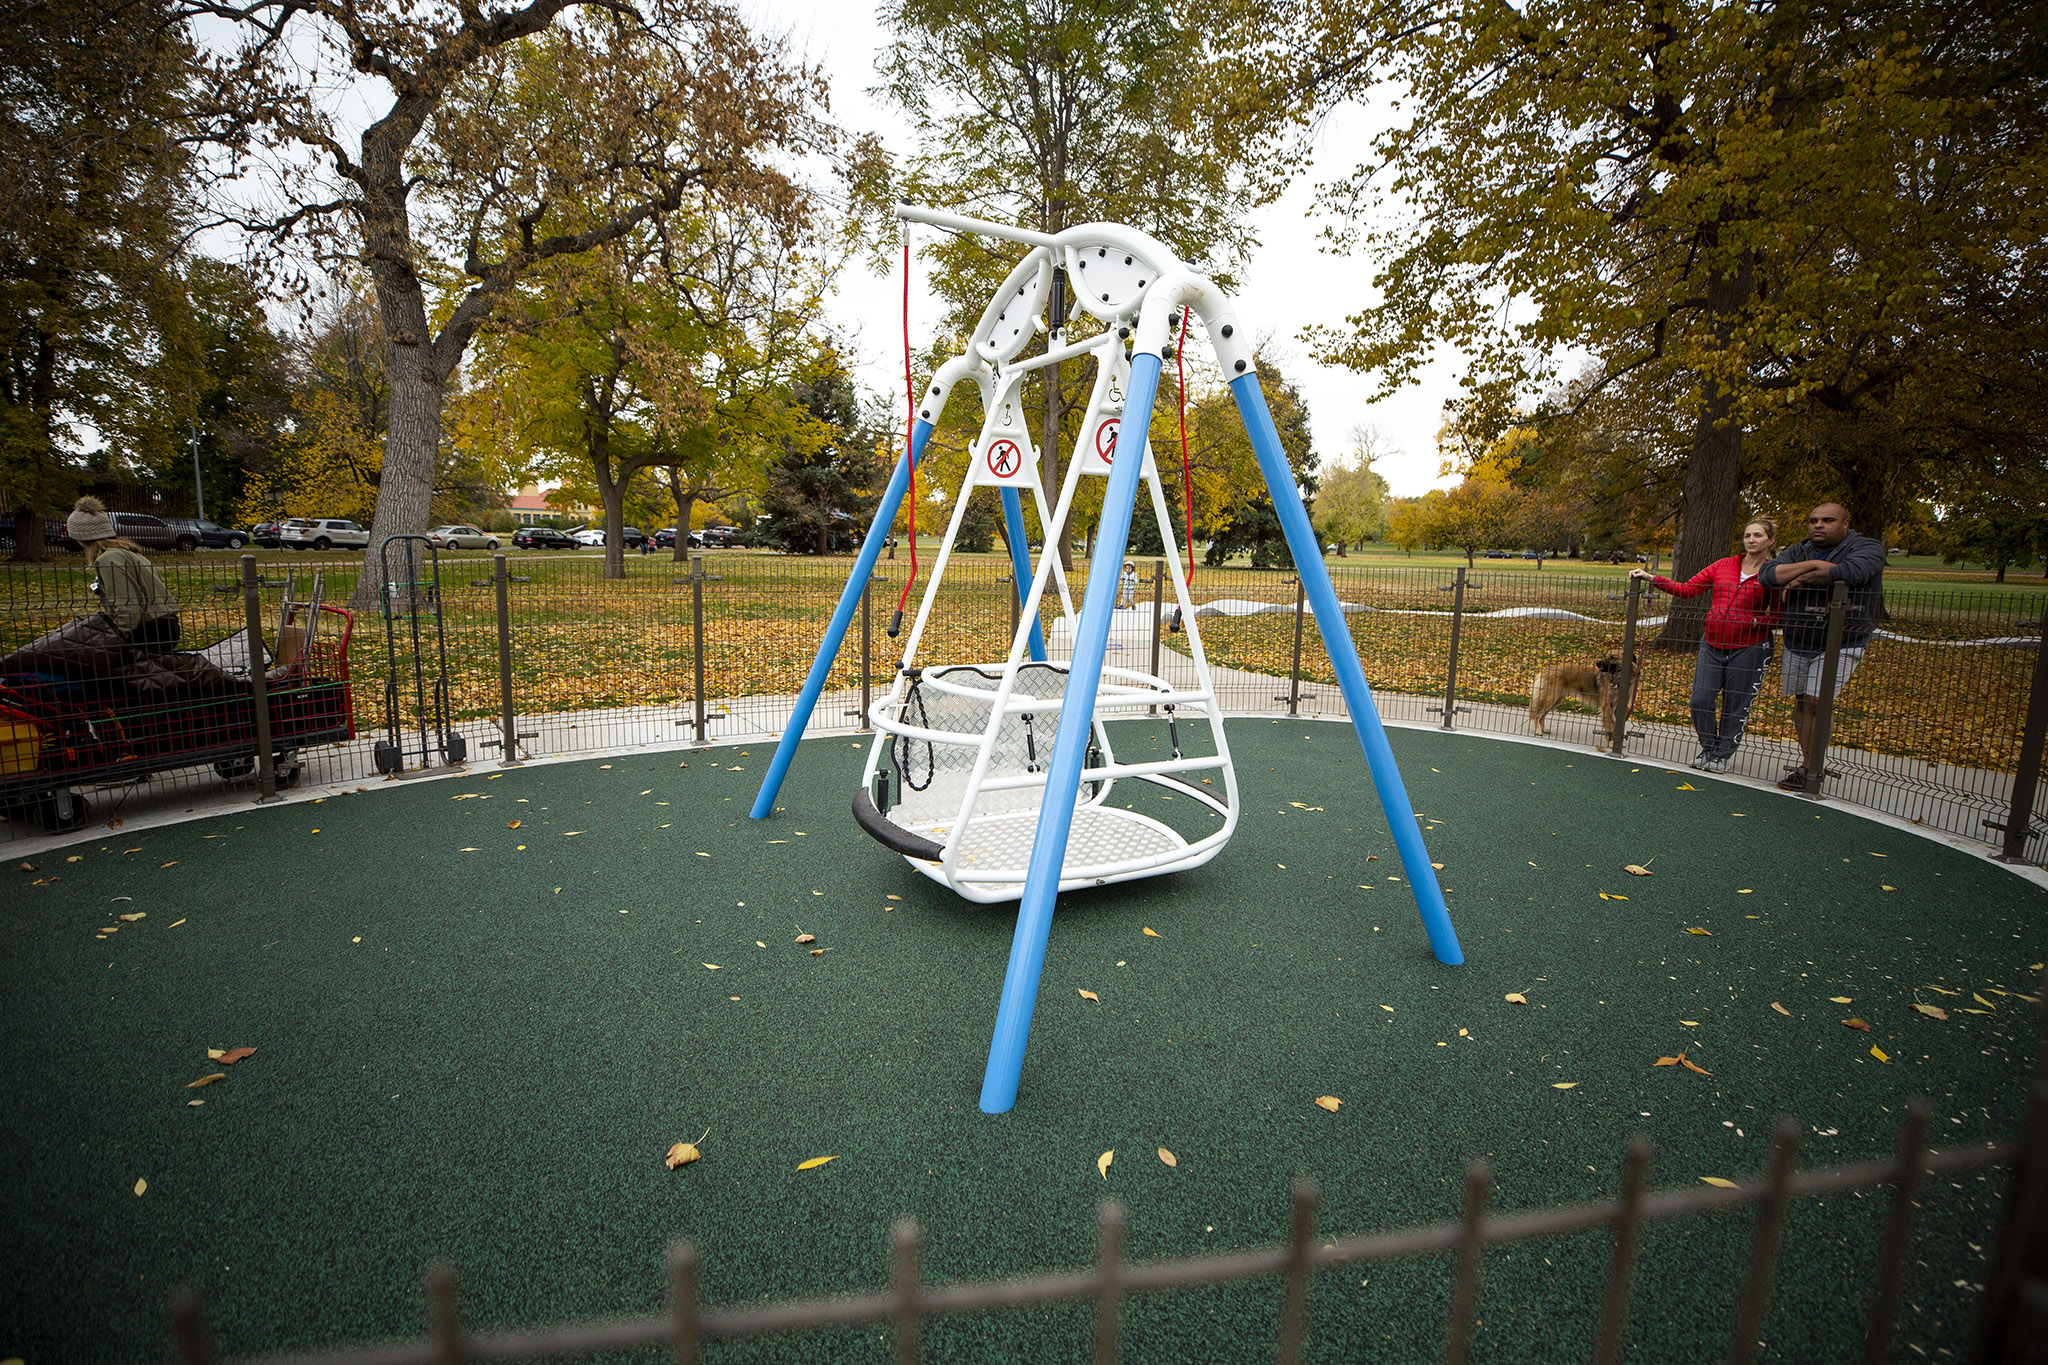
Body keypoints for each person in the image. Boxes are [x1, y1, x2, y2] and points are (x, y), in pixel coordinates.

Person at [1631, 518, 1782, 773]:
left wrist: (1759, 621)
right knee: (1700, 700)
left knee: (1735, 705)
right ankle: (1709, 747)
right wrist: (1651, 578)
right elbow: (1688, 589)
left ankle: (1722, 755)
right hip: (1712, 643)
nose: (1751, 540)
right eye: (1747, 535)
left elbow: (1780, 614)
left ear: (1770, 540)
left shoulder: (1772, 573)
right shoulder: (1723, 566)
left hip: (1750, 647)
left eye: (1758, 535)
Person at [1758, 503, 1887, 792]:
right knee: (1802, 701)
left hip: (1842, 640)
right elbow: (1768, 575)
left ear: (1845, 524)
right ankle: (1808, 762)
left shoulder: (1866, 547)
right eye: (1813, 520)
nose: (1819, 525)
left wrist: (1800, 577)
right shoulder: (1800, 550)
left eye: (1828, 520)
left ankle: (1812, 767)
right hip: (1799, 638)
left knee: (1817, 701)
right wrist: (1814, 567)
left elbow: (1854, 572)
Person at [67, 496, 181, 652]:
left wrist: (117, 639)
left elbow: (126, 604)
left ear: (80, 537)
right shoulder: (128, 553)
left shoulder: (109, 559)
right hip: (163, 625)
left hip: (147, 630)